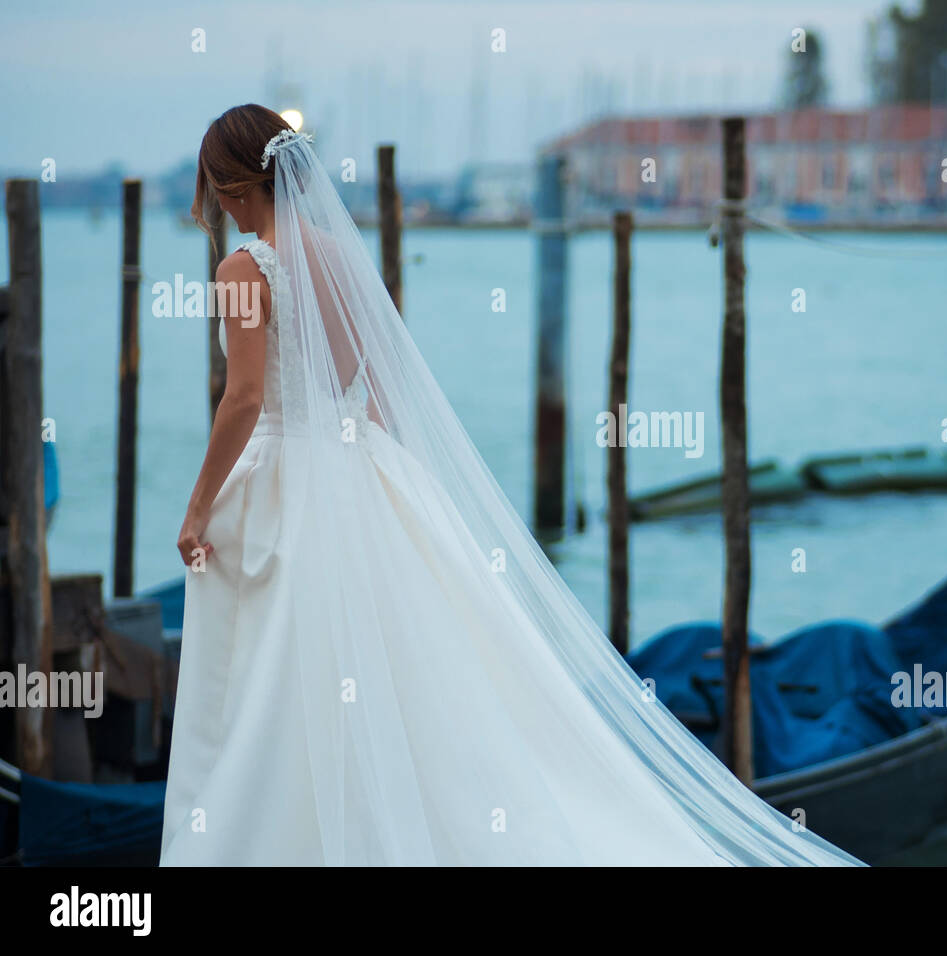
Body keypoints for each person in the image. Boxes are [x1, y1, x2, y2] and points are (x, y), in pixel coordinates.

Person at [161, 104, 865, 866]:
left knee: (278, 684)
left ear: (234, 183)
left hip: (286, 485)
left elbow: (243, 398)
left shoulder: (243, 269)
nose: (218, 208)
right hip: (359, 467)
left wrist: (199, 509)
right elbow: (382, 395)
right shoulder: (340, 258)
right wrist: (404, 494)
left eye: (216, 189)